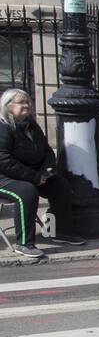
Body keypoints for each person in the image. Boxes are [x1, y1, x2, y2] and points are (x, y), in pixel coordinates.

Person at [0, 88, 83, 260]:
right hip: (5, 177)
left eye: (28, 102)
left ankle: (61, 231)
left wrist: (47, 171)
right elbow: (4, 160)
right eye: (21, 102)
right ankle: (24, 243)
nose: (26, 105)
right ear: (8, 107)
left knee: (60, 186)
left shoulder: (32, 125)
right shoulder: (4, 128)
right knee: (26, 192)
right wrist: (34, 177)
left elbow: (46, 151)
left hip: (33, 174)